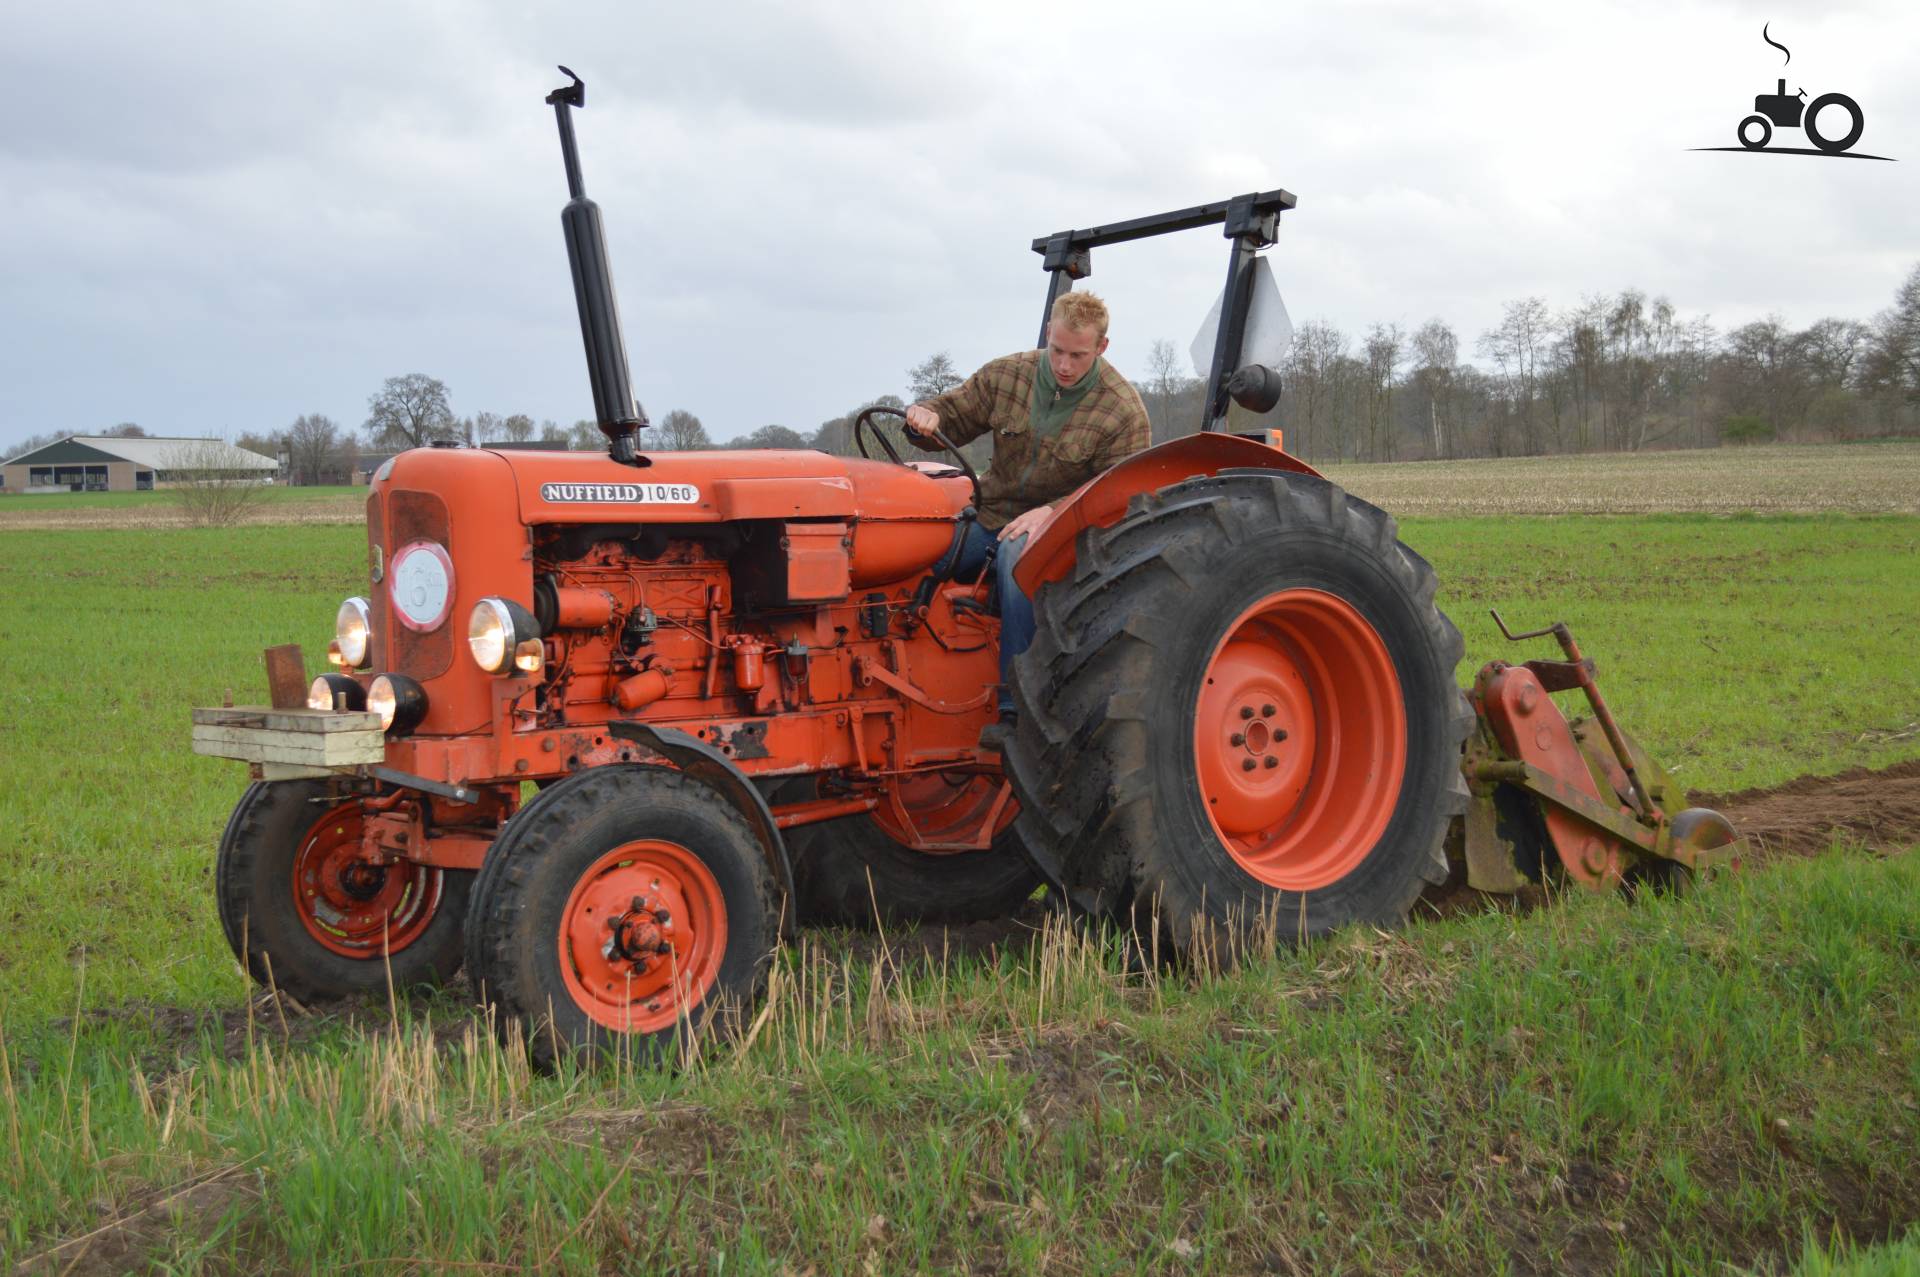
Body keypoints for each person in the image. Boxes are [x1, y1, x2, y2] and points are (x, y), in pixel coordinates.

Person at [904, 290, 1152, 751]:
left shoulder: (1121, 411)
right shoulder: (1008, 376)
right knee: (922, 552)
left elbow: (1117, 497)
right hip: (994, 514)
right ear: (1048, 335)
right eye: (1057, 350)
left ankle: (1017, 712)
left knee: (1018, 559)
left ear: (1101, 348)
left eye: (1077, 355)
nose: (1063, 364)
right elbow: (953, 416)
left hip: (1066, 530)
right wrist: (925, 415)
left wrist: (1054, 511)